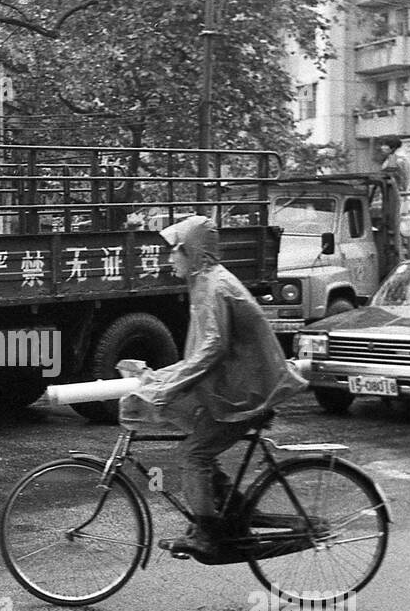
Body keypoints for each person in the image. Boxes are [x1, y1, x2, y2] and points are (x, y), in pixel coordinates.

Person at [119, 216, 307, 561]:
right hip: (236, 387)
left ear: (192, 251)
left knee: (194, 455)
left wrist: (166, 386)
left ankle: (208, 535)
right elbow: (204, 352)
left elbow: (212, 349)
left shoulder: (213, 286)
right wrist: (159, 378)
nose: (169, 260)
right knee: (198, 442)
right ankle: (231, 518)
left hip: (247, 393)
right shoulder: (206, 282)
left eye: (174, 252)